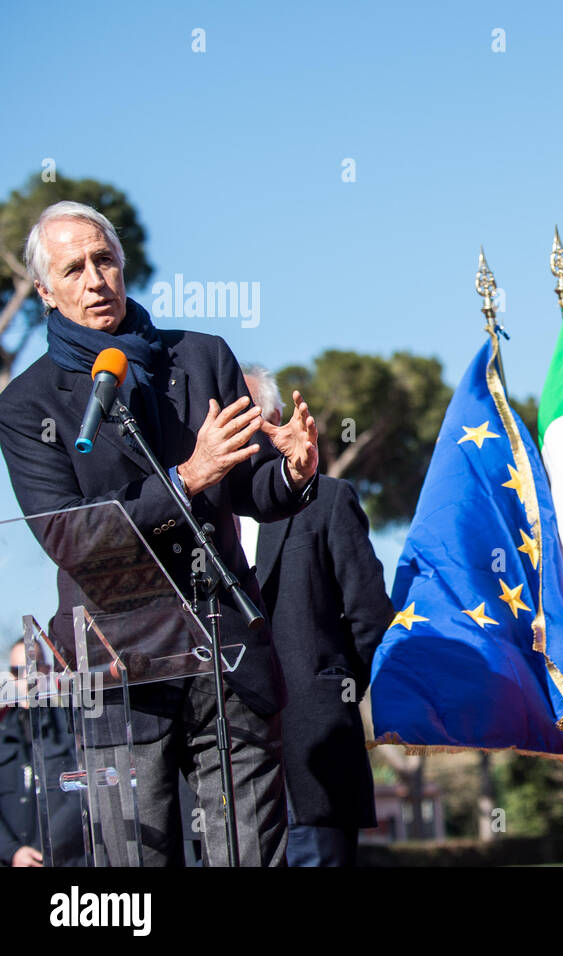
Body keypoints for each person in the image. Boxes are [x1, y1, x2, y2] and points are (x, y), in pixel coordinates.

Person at [0, 201, 320, 866]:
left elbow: (245, 489)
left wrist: (290, 473)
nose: (95, 279)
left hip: (228, 652)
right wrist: (184, 479)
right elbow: (69, 537)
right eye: (74, 268)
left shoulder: (202, 357)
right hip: (120, 668)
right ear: (44, 291)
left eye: (104, 260)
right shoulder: (27, 405)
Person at [239, 365, 391, 866]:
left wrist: (333, 688)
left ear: (276, 419)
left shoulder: (327, 502)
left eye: (246, 412)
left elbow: (370, 616)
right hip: (224, 777)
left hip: (313, 762)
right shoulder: (194, 514)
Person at [0, 641, 81, 867]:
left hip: (64, 861)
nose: (27, 677)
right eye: (19, 671)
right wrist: (13, 852)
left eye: (34, 667)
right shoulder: (1, 732)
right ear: (11, 677)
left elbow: (83, 792)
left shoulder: (71, 725)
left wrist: (44, 848)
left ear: (47, 670)